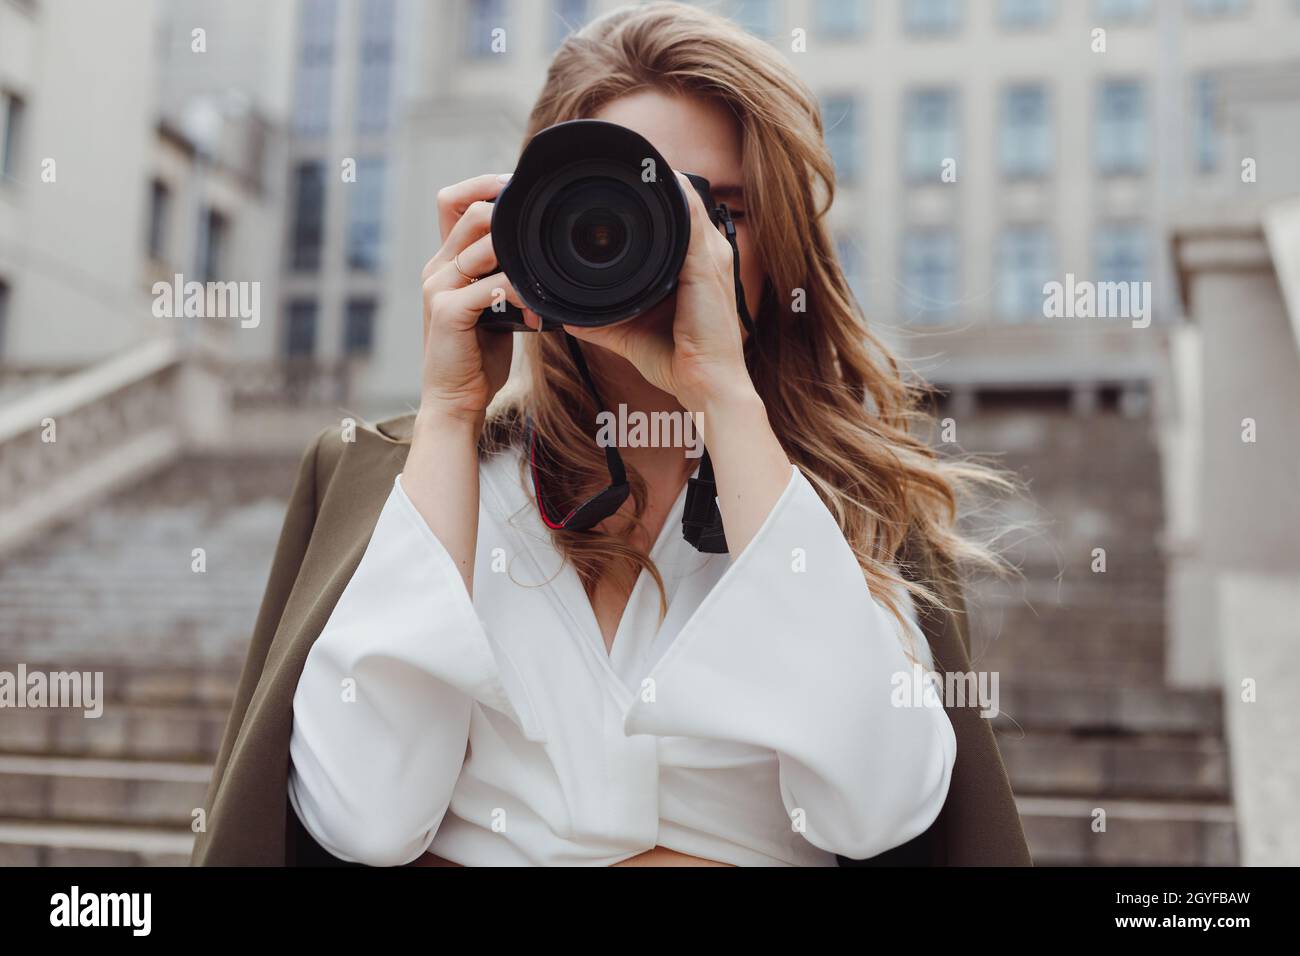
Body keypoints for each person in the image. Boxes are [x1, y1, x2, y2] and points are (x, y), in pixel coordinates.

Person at [192, 1, 1030, 867]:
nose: (670, 245)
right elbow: (361, 819)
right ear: (530, 220)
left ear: (782, 247)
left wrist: (724, 400)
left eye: (719, 213)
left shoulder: (849, 501)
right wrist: (447, 416)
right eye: (619, 207)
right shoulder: (401, 480)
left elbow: (880, 809)